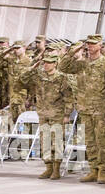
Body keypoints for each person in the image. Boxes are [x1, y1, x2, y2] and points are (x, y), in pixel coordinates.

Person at [59, 35, 105, 183]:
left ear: (100, 45)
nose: (90, 47)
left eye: (93, 44)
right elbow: (62, 67)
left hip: (101, 109)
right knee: (90, 142)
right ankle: (93, 170)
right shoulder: (82, 64)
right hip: (85, 108)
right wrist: (74, 51)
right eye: (88, 44)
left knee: (101, 141)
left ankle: (103, 171)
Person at [26, 49, 74, 180]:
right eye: (44, 62)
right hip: (43, 114)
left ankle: (56, 168)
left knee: (56, 142)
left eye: (49, 63)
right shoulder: (39, 77)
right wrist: (34, 66)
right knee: (44, 141)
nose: (46, 65)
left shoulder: (62, 78)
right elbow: (23, 78)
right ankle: (48, 167)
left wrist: (67, 114)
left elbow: (69, 98)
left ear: (55, 64)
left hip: (57, 114)